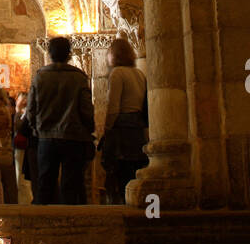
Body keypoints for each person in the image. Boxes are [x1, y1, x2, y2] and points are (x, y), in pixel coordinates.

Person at [25, 36, 95, 205]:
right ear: (69, 54)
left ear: (49, 53)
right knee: (71, 186)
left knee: (45, 185)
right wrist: (88, 129)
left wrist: (36, 129)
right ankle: (70, 225)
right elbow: (86, 109)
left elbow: (31, 110)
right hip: (74, 137)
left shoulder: (40, 77)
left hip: (46, 137)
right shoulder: (78, 78)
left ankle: (42, 226)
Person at [99, 37, 149, 205]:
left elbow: (113, 107)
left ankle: (123, 208)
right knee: (136, 169)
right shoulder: (139, 74)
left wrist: (107, 129)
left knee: (121, 172)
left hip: (122, 129)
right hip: (138, 127)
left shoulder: (118, 73)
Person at [13, 91, 35, 205]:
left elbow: (20, 128)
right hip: (21, 148)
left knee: (22, 179)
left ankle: (25, 204)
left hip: (23, 148)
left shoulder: (25, 114)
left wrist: (17, 111)